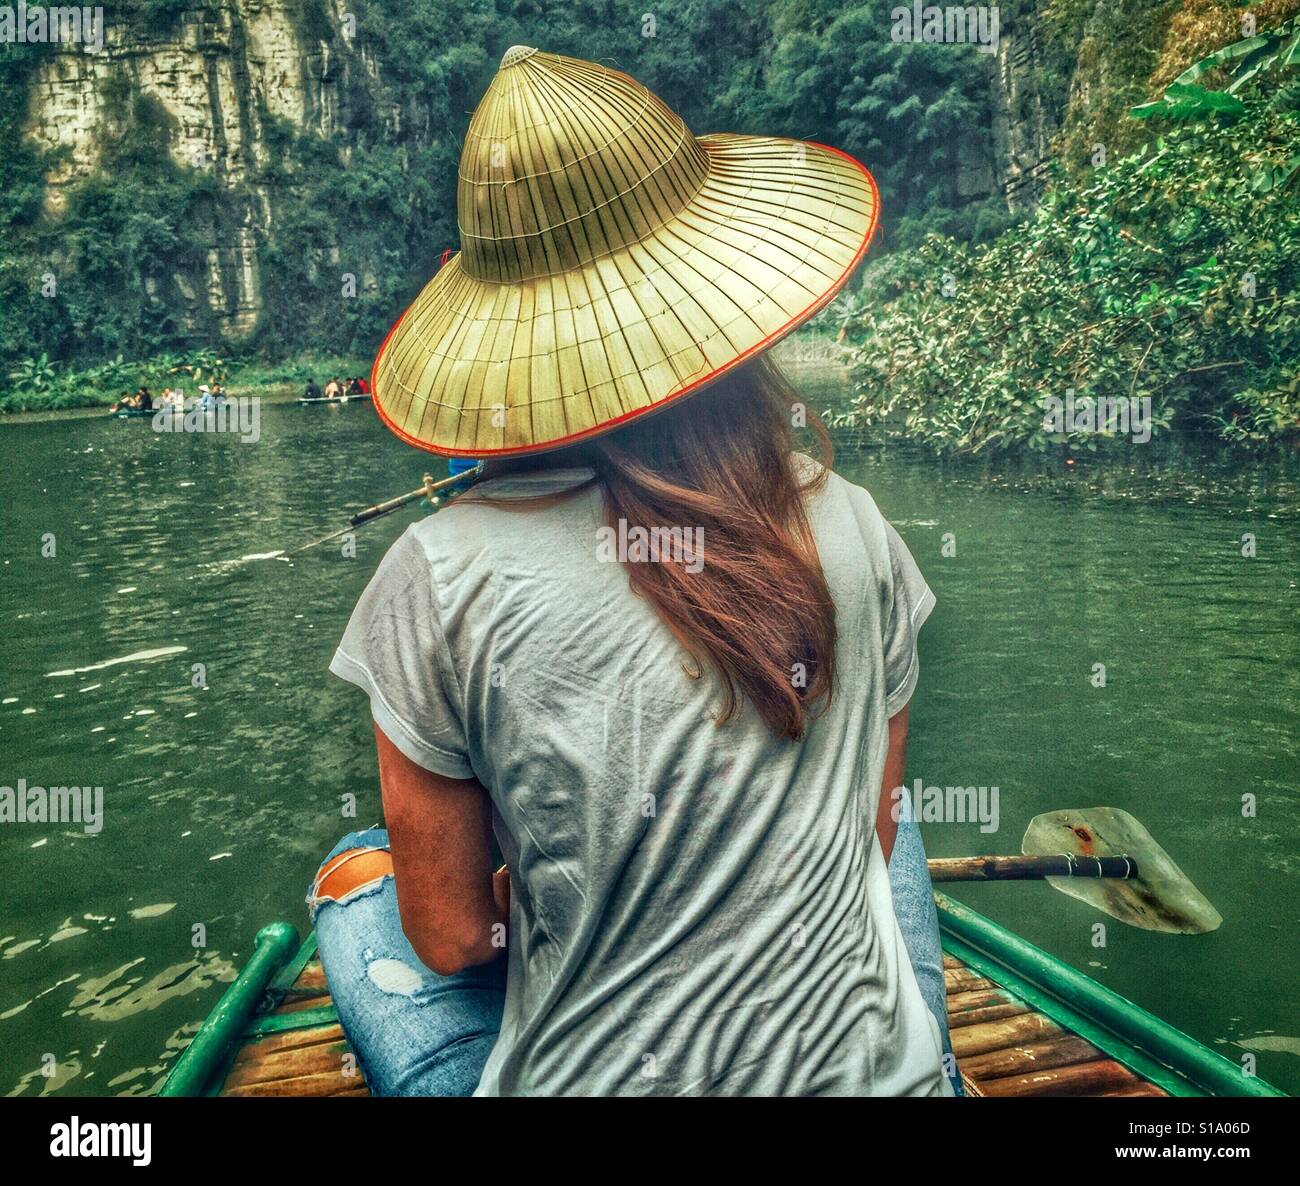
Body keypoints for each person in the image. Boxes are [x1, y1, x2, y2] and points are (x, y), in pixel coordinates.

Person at [311, 46, 954, 1098]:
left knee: (353, 886)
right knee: (892, 823)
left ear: (499, 345)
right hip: (883, 1080)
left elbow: (453, 939)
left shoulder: (433, 572)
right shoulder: (857, 523)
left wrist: (543, 892)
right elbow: (872, 836)